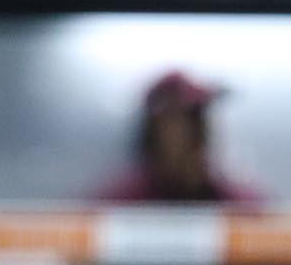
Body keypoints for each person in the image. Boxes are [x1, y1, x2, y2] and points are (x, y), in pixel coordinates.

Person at [95, 71, 265, 205]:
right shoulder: (117, 205)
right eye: (185, 120)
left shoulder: (237, 204)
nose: (196, 134)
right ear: (153, 131)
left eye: (199, 120)